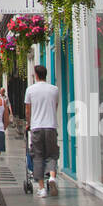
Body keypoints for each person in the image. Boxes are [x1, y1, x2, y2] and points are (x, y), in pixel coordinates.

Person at [24, 63, 61, 198]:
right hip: (51, 126)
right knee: (52, 154)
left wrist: (28, 123)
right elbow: (55, 105)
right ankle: (52, 177)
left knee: (38, 156)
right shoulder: (54, 89)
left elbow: (28, 110)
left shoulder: (30, 90)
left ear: (36, 75)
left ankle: (41, 188)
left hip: (37, 126)